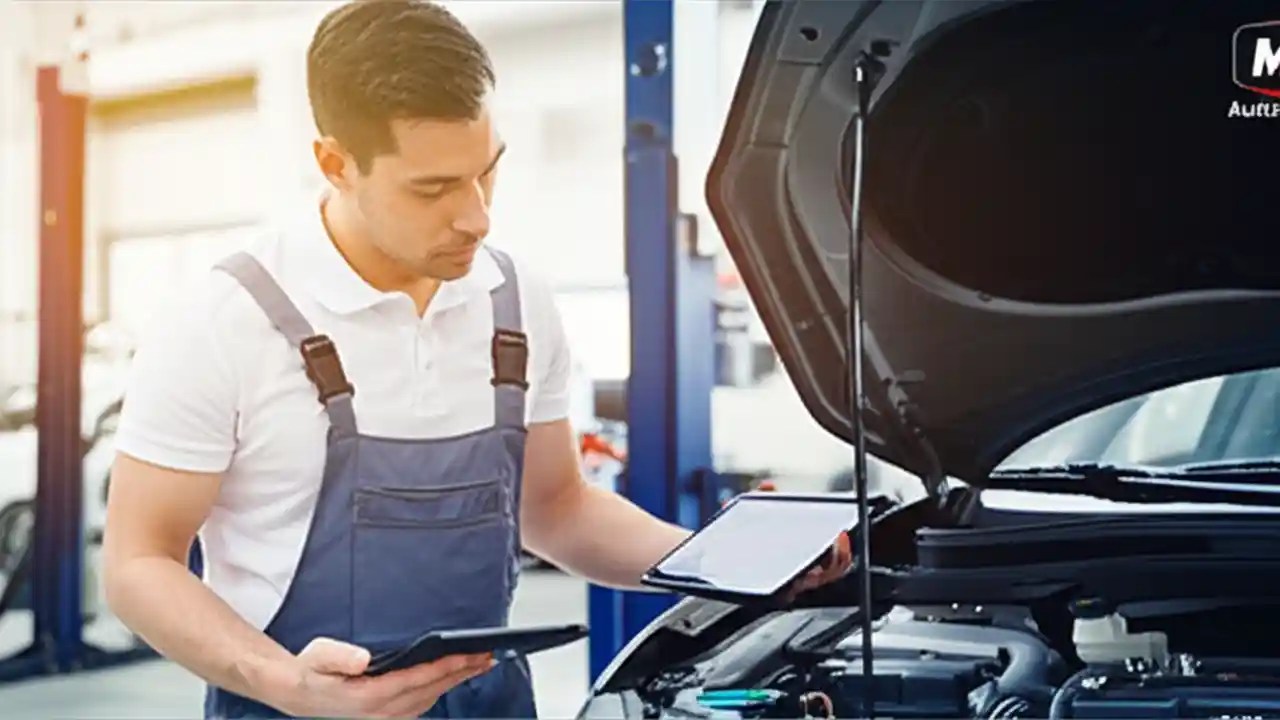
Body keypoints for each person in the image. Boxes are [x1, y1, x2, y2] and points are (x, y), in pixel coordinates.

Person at [100, 1, 853, 718]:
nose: (477, 215)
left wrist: (726, 567)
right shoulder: (224, 318)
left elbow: (557, 510)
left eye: (486, 169)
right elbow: (139, 563)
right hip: (290, 710)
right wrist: (288, 684)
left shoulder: (513, 300)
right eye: (432, 188)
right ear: (336, 163)